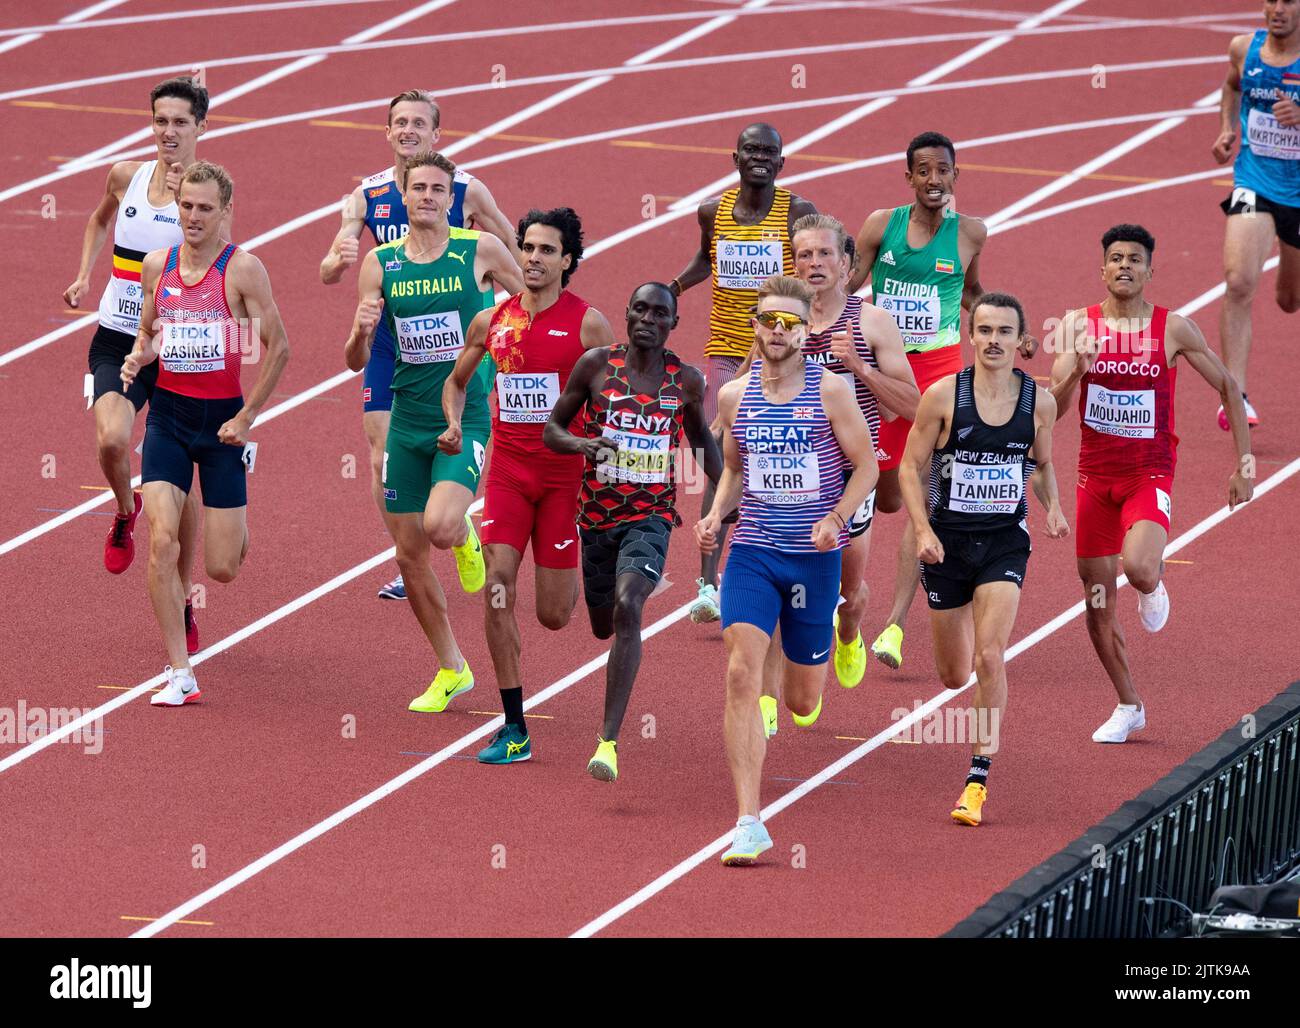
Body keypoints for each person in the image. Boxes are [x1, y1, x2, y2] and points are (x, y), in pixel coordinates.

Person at [696, 275, 877, 866]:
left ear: (806, 331)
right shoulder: (734, 397)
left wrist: (838, 518)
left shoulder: (830, 392)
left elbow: (868, 466)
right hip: (751, 551)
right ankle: (748, 819)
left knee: (801, 702)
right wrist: (717, 515)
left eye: (791, 322)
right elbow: (734, 471)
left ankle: (845, 630)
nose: (778, 331)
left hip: (814, 560)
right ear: (755, 326)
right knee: (741, 671)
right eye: (769, 320)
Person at [1050, 225, 1255, 744]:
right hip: (1093, 481)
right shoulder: (1078, 326)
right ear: (1102, 269)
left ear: (1149, 270)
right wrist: (1077, 370)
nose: (1124, 266)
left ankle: (1154, 581)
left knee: (1138, 568)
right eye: (1115, 258)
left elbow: (1229, 387)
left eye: (1134, 259)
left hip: (1148, 474)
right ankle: (1129, 704)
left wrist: (1244, 466)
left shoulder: (1174, 329)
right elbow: (1052, 406)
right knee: (1097, 603)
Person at [322, 89, 522, 599]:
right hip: (393, 336)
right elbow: (327, 271)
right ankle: (406, 557)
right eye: (399, 122)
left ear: (436, 134)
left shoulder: (466, 190)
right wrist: (341, 257)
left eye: (418, 122)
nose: (408, 130)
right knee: (376, 455)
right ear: (387, 133)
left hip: (458, 335)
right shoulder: (365, 196)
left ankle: (456, 527)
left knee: (447, 438)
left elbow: (515, 253)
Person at [345, 152, 523, 715]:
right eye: (416, 187)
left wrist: (515, 357)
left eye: (437, 189)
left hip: (464, 416)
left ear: (453, 198)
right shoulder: (380, 263)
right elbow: (355, 360)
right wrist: (360, 332)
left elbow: (531, 307)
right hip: (408, 420)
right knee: (408, 554)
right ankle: (452, 667)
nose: (426, 196)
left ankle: (468, 536)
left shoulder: (481, 251)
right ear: (402, 194)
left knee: (442, 527)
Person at [442, 207, 614, 764]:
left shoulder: (588, 324)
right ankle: (514, 726)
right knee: (497, 586)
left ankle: (598, 560)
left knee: (554, 615)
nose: (534, 258)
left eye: (546, 250)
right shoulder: (493, 322)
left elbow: (612, 400)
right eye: (528, 248)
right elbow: (456, 381)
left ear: (567, 260)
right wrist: (451, 422)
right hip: (512, 475)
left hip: (566, 482)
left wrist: (604, 455)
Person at [120, 162, 290, 706]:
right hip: (167, 420)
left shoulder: (242, 270)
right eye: (186, 207)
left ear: (225, 212)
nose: (192, 217)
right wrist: (136, 356)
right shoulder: (157, 265)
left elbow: (279, 347)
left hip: (223, 427)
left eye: (204, 208)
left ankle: (234, 523)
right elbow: (150, 331)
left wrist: (248, 418)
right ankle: (180, 672)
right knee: (162, 543)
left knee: (222, 567)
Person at [848, 131, 1016, 673]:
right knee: (890, 496)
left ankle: (894, 624)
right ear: (909, 178)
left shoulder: (972, 232)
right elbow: (851, 284)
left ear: (956, 175)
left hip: (938, 376)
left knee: (927, 495)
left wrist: (1013, 329)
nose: (934, 180)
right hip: (883, 373)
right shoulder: (881, 225)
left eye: (943, 170)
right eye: (924, 170)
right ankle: (848, 584)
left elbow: (972, 291)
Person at [901, 293, 1068, 826]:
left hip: (1004, 541)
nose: (994, 340)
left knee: (990, 657)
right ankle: (965, 637)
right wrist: (923, 530)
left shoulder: (1039, 403)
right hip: (946, 545)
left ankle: (977, 780)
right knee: (954, 675)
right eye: (985, 330)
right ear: (970, 336)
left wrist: (1055, 508)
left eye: (1004, 332)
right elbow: (910, 468)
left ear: (1021, 341)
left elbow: (1040, 465)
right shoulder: (943, 396)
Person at [545, 283, 720, 782]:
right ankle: (606, 611)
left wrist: (733, 492)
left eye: (659, 312)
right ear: (626, 312)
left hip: (652, 516)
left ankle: (608, 742)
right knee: (603, 622)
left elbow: (702, 440)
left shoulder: (685, 381)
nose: (648, 318)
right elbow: (551, 429)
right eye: (639, 308)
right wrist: (582, 444)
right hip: (596, 519)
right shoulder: (596, 365)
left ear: (673, 324)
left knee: (629, 604)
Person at [63, 76, 211, 653]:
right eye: (160, 121)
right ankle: (126, 510)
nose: (168, 132)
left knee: (177, 490)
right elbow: (99, 220)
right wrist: (84, 273)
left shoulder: (205, 194)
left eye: (180, 122)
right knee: (111, 442)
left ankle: (182, 595)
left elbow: (218, 265)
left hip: (176, 350)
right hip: (118, 339)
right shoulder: (125, 175)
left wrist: (186, 206)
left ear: (201, 126)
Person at [667, 122, 817, 624]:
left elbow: (814, 271)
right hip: (727, 354)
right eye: (751, 149)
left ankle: (798, 563)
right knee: (721, 456)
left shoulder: (796, 213)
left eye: (768, 151)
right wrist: (673, 286)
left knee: (783, 454)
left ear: (781, 161)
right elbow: (703, 261)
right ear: (735, 157)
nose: (759, 158)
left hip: (779, 352)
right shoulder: (712, 211)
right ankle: (708, 582)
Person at [792, 213, 919, 690]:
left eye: (825, 253)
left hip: (852, 470)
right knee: (791, 579)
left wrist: (858, 367)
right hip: (793, 467)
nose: (815, 263)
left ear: (846, 265)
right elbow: (746, 387)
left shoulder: (871, 322)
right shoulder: (781, 320)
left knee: (847, 591)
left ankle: (848, 632)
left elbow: (912, 403)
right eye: (805, 254)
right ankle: (778, 692)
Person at [1211, 2, 1300, 432]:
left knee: (1290, 300)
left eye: (1288, 1)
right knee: (1239, 281)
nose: (1277, 9)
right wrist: (1227, 127)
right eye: (1271, 0)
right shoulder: (1244, 49)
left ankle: (1289, 252)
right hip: (1254, 181)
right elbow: (1231, 86)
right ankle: (1235, 394)